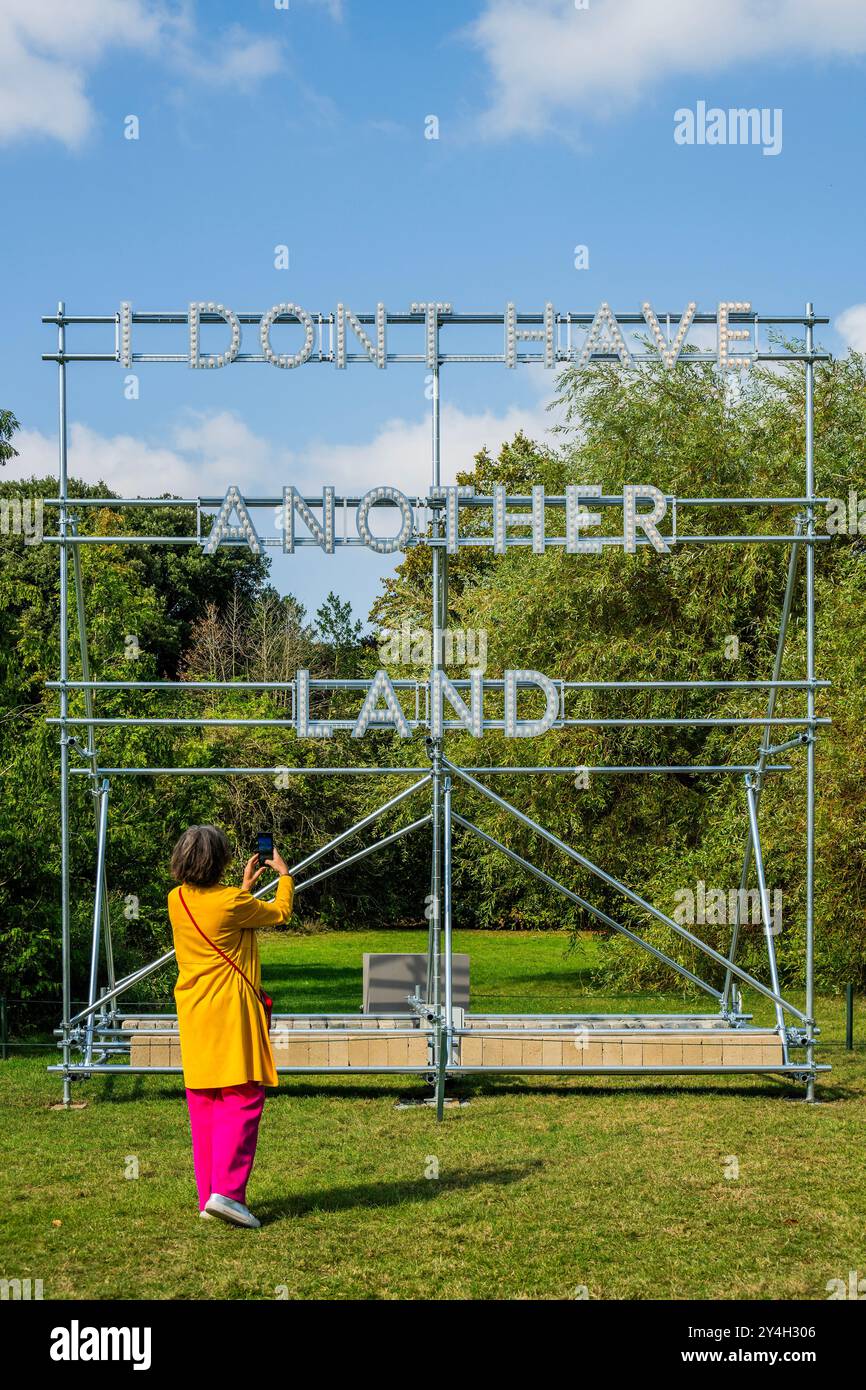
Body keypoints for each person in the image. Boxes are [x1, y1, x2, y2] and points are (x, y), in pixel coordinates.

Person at [167, 824, 293, 1228]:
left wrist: (243, 886)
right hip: (230, 1011)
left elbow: (224, 913)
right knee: (242, 1097)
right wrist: (285, 877)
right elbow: (279, 913)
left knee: (203, 1101)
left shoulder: (176, 899)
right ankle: (230, 1194)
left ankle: (209, 1196)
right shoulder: (231, 902)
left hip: (194, 1010)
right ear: (217, 860)